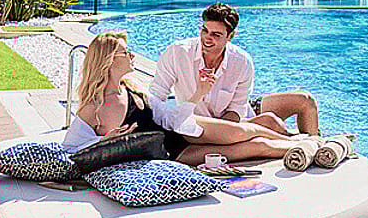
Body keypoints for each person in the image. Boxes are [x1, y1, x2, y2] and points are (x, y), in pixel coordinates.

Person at [64, 31, 301, 165]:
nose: (132, 55)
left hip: (181, 127)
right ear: (109, 61)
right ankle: (305, 149)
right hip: (174, 152)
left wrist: (196, 97)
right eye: (125, 53)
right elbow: (70, 148)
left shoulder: (131, 88)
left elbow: (164, 116)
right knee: (257, 146)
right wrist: (104, 142)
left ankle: (306, 141)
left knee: (243, 131)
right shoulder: (95, 107)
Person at [149, 3, 321, 136]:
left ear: (231, 36)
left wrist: (230, 129)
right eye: (205, 31)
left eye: (216, 35)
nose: (207, 39)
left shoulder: (242, 62)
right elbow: (156, 96)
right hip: (206, 127)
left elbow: (237, 109)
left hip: (240, 117)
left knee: (306, 100)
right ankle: (304, 145)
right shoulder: (178, 53)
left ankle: (315, 147)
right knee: (272, 123)